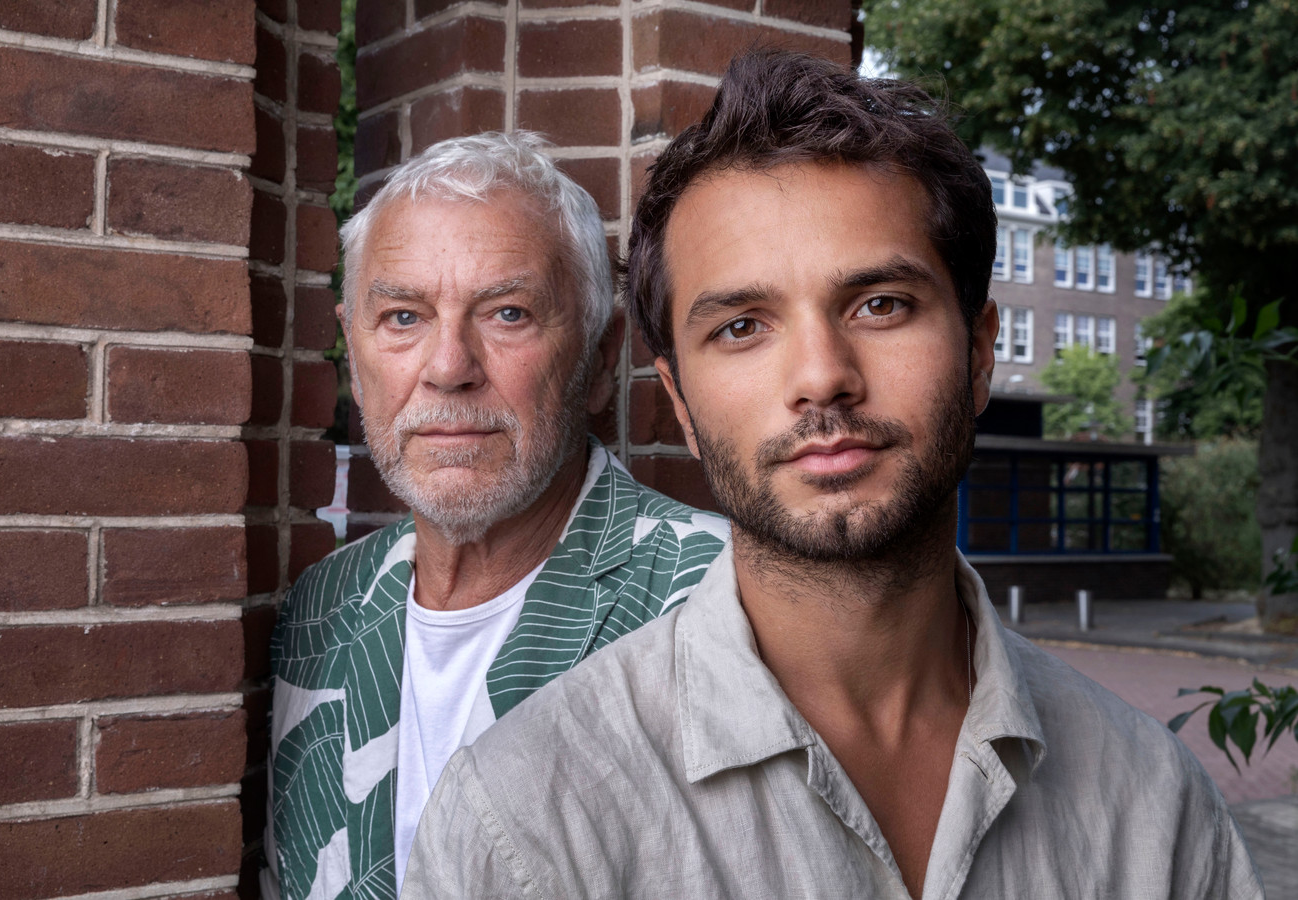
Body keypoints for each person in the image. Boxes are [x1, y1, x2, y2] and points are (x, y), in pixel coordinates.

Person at [400, 53, 1262, 899]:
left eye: (880, 304)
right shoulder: (523, 828)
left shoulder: (1157, 804)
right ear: (682, 405)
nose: (821, 375)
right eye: (742, 326)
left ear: (980, 352)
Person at [261, 131, 728, 900]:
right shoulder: (320, 609)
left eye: (507, 313)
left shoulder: (722, 602)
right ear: (353, 351)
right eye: (404, 317)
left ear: (601, 359)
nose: (448, 368)